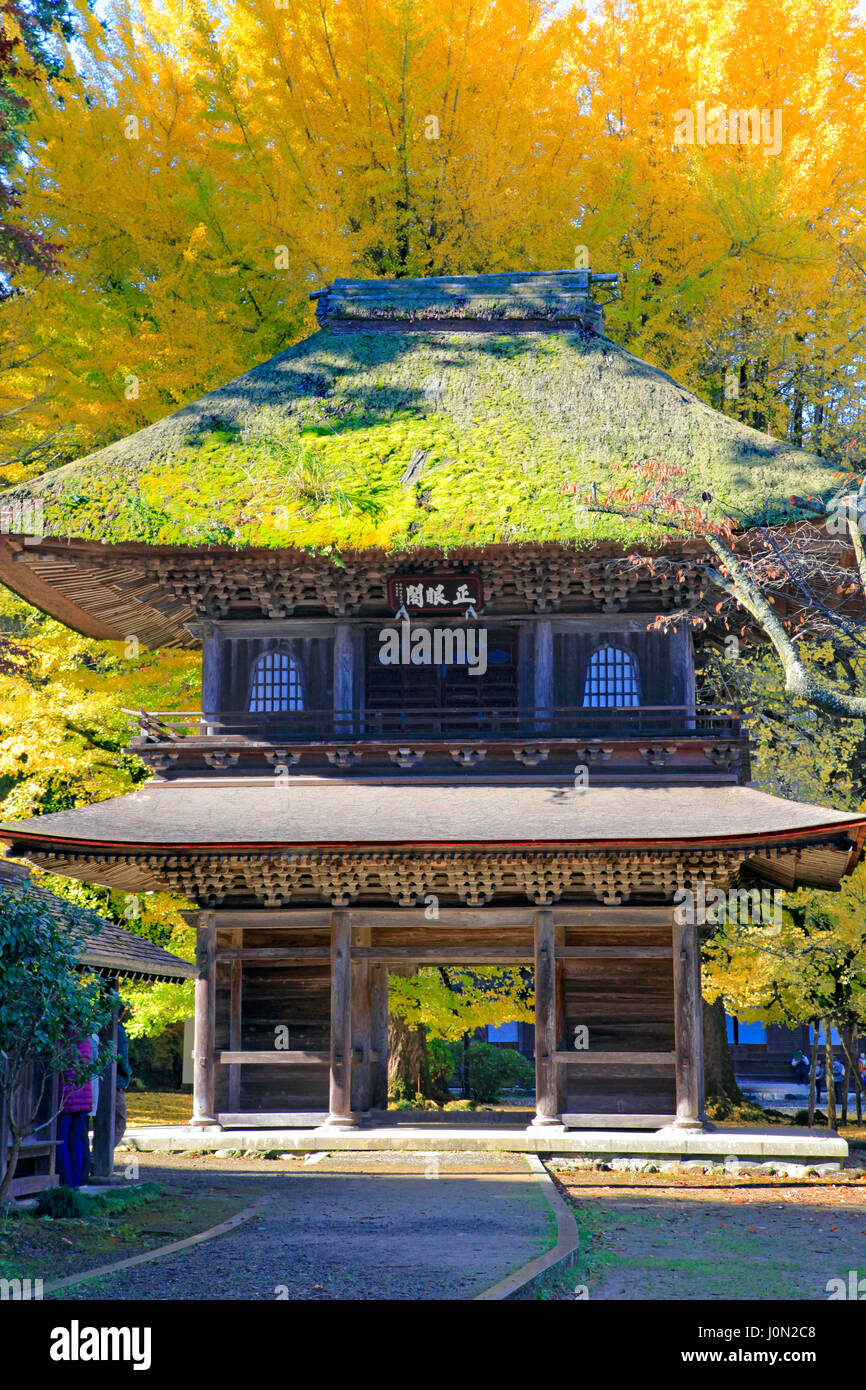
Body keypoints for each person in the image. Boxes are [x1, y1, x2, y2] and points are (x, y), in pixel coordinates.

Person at [56, 1035, 94, 1189]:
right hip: (84, 1095)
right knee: (76, 1138)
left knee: (61, 1139)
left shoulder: (62, 1038)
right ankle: (77, 1180)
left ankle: (66, 1181)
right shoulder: (85, 1037)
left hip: (66, 1096)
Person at [115, 1012, 131, 1145]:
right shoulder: (119, 1031)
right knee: (119, 1122)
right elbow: (122, 1058)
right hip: (116, 1082)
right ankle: (100, 1156)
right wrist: (127, 1074)